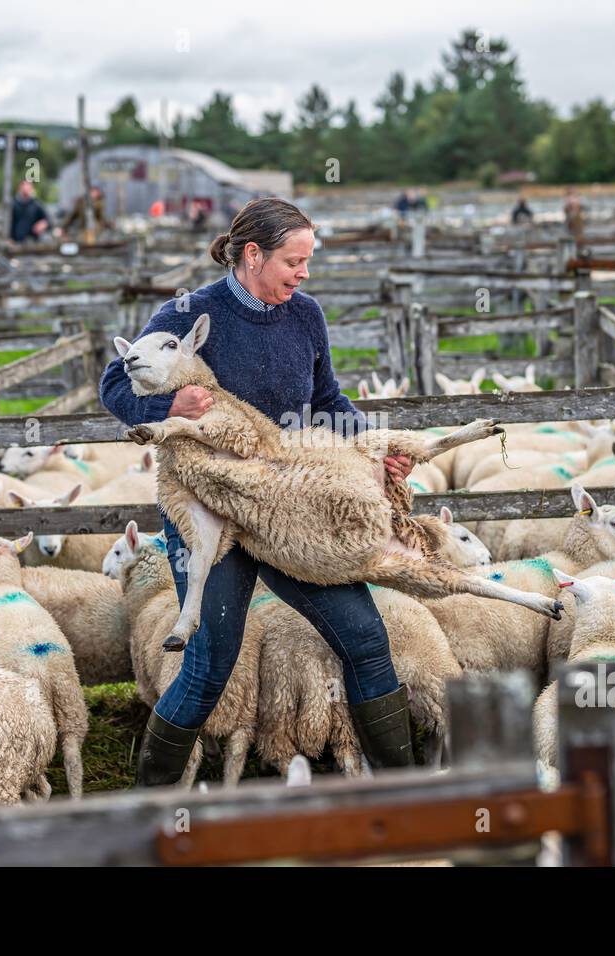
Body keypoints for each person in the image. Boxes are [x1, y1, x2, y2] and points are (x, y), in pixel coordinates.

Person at [100, 197, 417, 786]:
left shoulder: (305, 316)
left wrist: (373, 448)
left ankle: (408, 796)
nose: (303, 274)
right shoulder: (190, 312)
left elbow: (325, 403)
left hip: (288, 512)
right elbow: (116, 381)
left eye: (308, 262)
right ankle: (146, 807)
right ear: (253, 255)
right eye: (293, 261)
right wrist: (169, 404)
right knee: (210, 665)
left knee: (366, 638)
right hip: (211, 509)